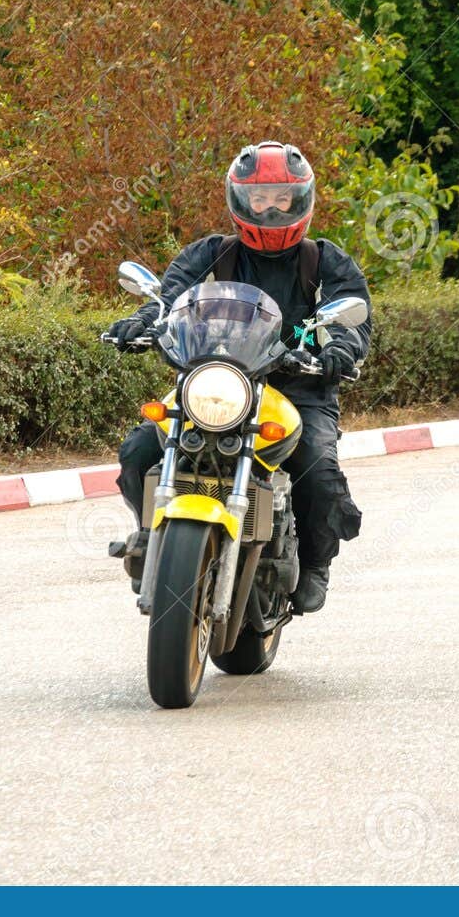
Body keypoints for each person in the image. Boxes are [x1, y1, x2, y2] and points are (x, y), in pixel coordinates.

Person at [106, 140, 371, 614]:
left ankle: (313, 564)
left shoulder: (324, 261)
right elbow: (168, 298)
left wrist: (341, 350)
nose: (270, 208)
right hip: (217, 381)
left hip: (298, 388)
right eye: (260, 198)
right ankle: (153, 534)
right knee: (142, 446)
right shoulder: (210, 253)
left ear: (301, 200)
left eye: (281, 198)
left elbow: (357, 316)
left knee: (317, 466)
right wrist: (144, 322)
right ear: (240, 200)